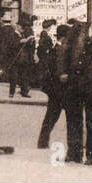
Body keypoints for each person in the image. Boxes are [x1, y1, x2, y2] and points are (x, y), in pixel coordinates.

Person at [59, 2, 92, 165]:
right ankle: (74, 153)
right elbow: (64, 51)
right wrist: (63, 71)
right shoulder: (78, 29)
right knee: (73, 118)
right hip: (73, 83)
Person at [37, 20, 67, 149]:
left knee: (51, 117)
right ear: (65, 37)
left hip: (56, 91)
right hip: (58, 91)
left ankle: (42, 142)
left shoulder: (57, 49)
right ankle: (42, 142)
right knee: (52, 117)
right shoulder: (59, 51)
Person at [0, 16, 28, 97]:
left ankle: (24, 92)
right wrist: (20, 42)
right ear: (17, 26)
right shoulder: (13, 34)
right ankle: (11, 92)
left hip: (22, 58)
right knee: (13, 76)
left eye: (24, 27)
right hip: (14, 58)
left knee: (23, 75)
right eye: (22, 27)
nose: (23, 29)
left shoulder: (23, 35)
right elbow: (11, 45)